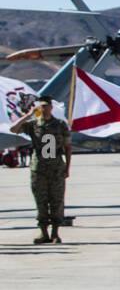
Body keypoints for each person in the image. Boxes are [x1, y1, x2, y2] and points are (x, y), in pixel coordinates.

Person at [11, 95, 71, 244]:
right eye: (42, 106)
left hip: (56, 167)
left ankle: (55, 233)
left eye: (46, 106)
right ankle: (43, 233)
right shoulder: (33, 125)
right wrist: (28, 115)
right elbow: (14, 129)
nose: (44, 109)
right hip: (38, 168)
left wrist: (67, 168)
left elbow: (68, 147)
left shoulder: (60, 125)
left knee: (57, 201)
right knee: (41, 200)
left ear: (51, 107)